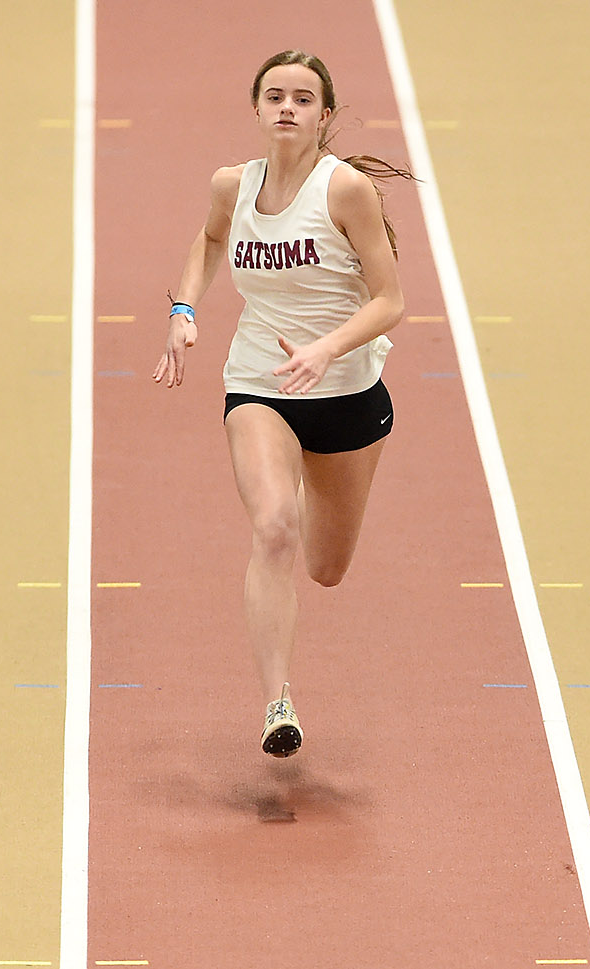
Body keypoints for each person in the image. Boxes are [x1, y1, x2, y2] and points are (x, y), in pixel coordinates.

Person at [152, 51, 409, 757]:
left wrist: (328, 347)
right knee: (272, 527)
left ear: (324, 116)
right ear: (258, 109)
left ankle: (315, 482)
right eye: (275, 95)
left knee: (326, 567)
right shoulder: (232, 185)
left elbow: (391, 300)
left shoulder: (347, 192)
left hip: (346, 393)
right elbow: (208, 241)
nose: (288, 107)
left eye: (303, 98)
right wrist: (182, 308)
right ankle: (277, 703)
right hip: (261, 382)